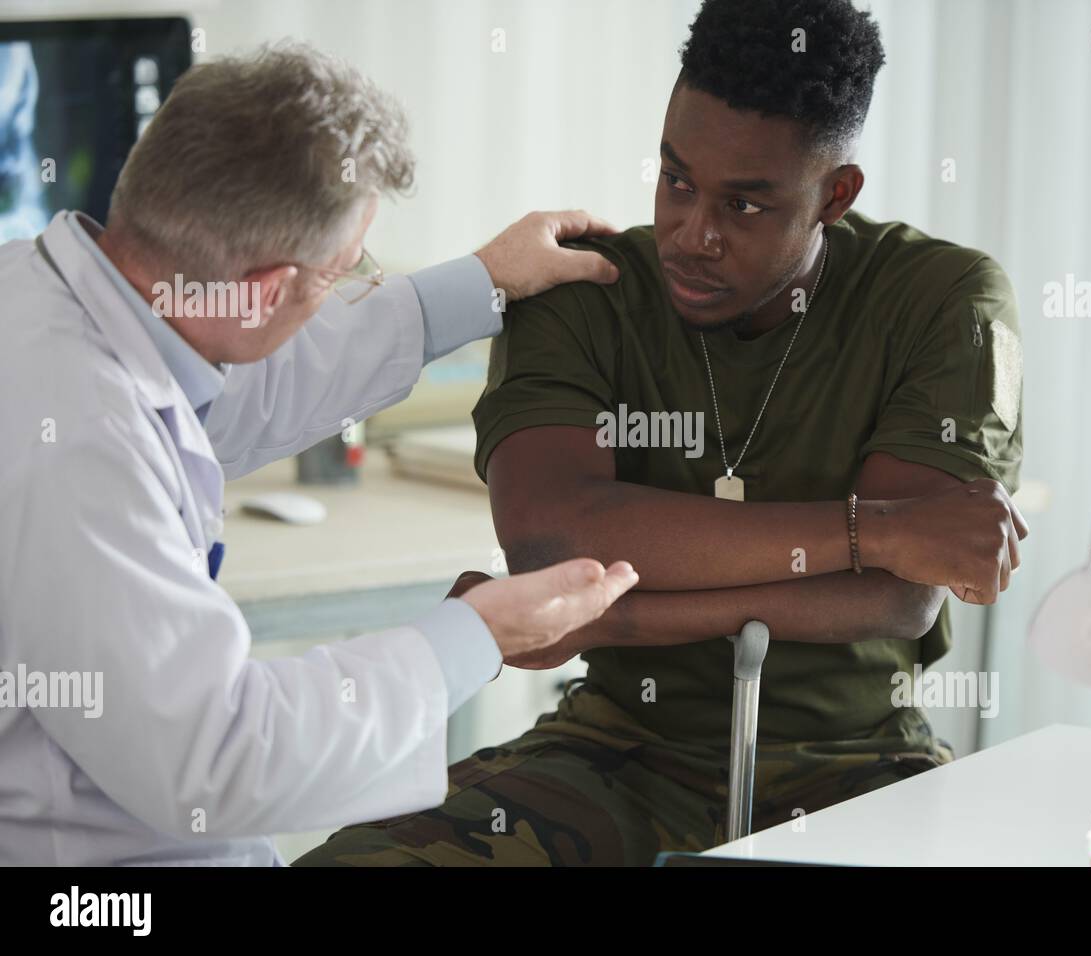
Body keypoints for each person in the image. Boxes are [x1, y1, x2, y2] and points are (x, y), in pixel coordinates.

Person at [299, 0, 1027, 867]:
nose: (693, 234)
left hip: (857, 766)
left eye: (745, 206)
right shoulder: (586, 288)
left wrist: (603, 621)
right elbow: (553, 543)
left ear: (835, 195)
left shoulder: (942, 301)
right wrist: (874, 532)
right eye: (675, 179)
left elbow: (899, 598)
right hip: (615, 752)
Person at [0, 41, 637, 866]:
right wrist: (475, 636)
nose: (345, 289)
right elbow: (221, 756)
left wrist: (484, 280)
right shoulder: (82, 448)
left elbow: (235, 388)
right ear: (265, 288)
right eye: (343, 273)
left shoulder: (52, 290)